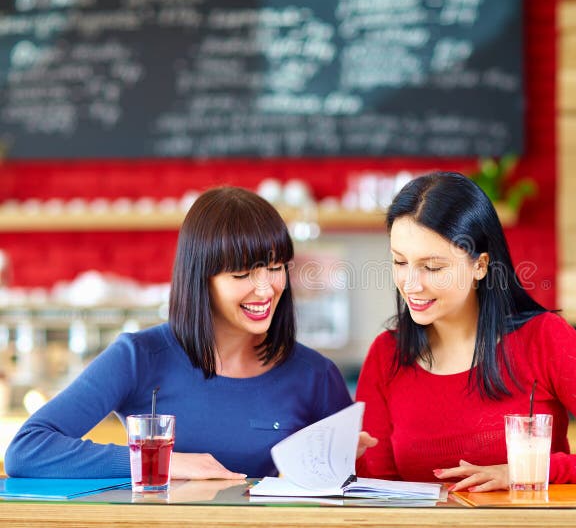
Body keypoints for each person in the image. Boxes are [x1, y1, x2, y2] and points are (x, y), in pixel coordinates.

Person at [4, 186, 353, 479]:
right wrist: (164, 463)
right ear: (202, 279)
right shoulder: (138, 357)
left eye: (275, 268)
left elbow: (349, 492)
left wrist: (347, 460)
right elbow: (28, 450)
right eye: (242, 274)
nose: (265, 290)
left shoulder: (315, 375)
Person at [355, 172, 576, 491]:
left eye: (433, 267)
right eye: (400, 262)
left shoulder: (545, 339)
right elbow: (381, 491)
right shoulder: (386, 354)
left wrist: (528, 470)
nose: (411, 284)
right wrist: (349, 462)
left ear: (480, 265)